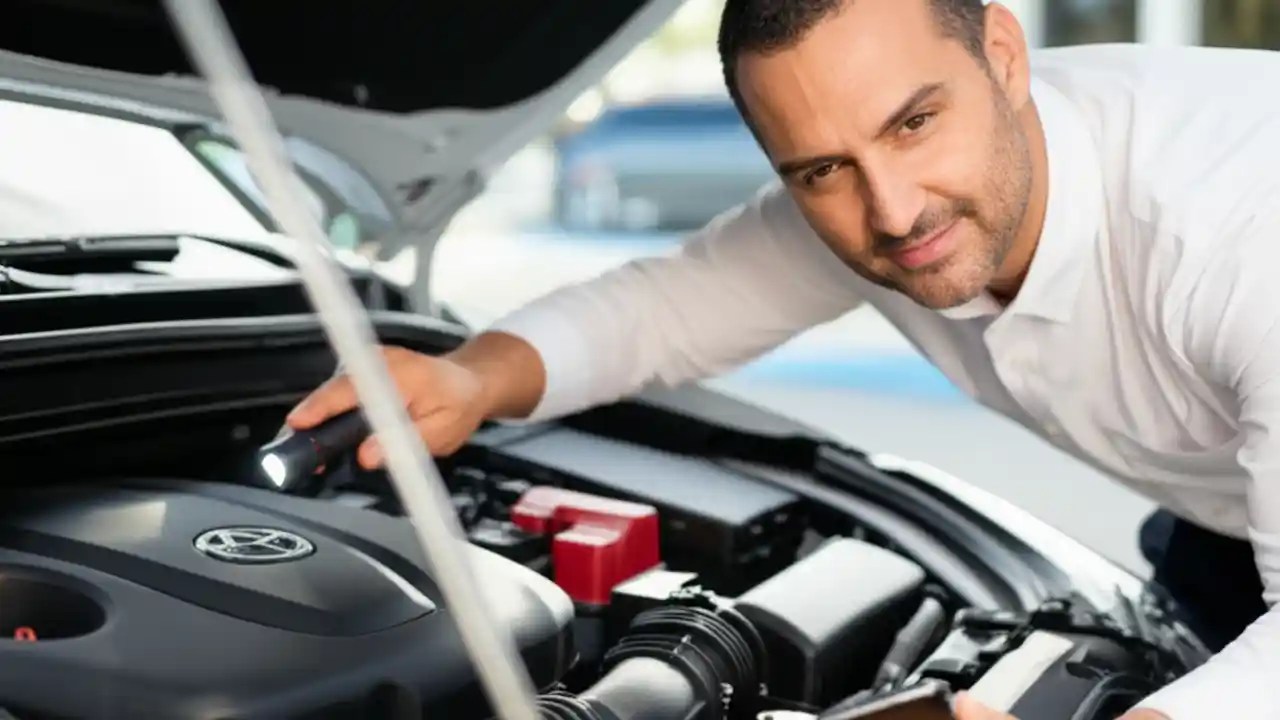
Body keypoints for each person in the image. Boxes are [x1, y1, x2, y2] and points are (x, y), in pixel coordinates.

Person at [287, 0, 1280, 717]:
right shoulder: (860, 200)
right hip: (1224, 513)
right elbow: (661, 308)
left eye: (913, 122)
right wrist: (470, 378)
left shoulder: (1236, 222)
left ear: (1003, 56)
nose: (891, 212)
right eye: (821, 169)